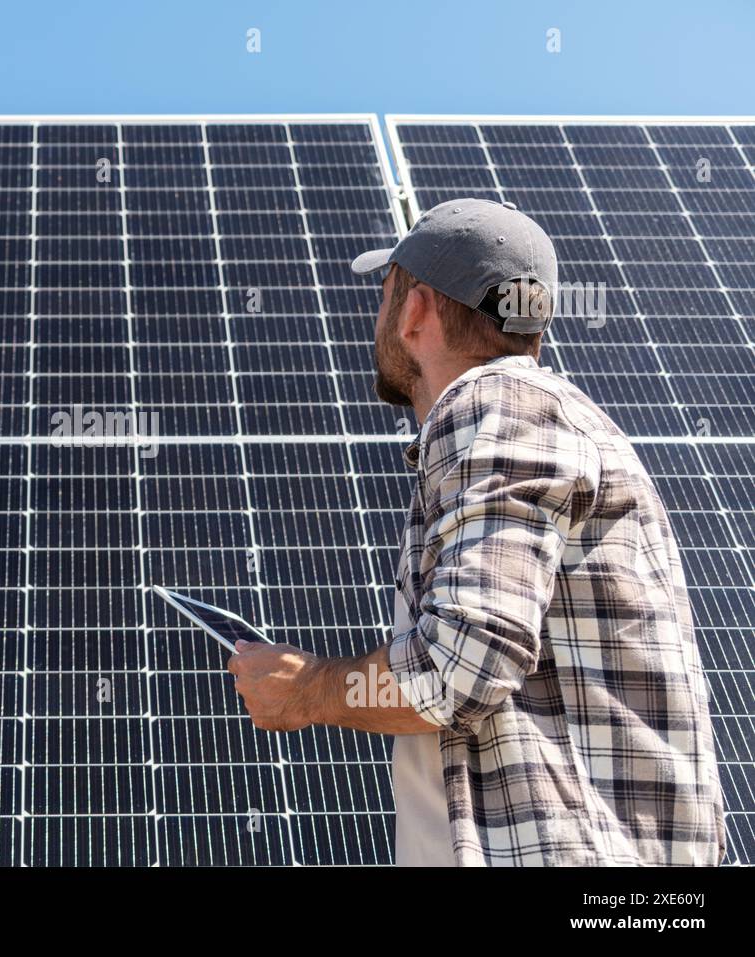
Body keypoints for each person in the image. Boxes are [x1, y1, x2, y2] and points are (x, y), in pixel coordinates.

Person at [229, 198, 724, 866]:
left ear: (417, 311)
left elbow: (461, 665)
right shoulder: (547, 417)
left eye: (386, 293)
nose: (378, 315)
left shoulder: (494, 402)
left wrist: (310, 688)